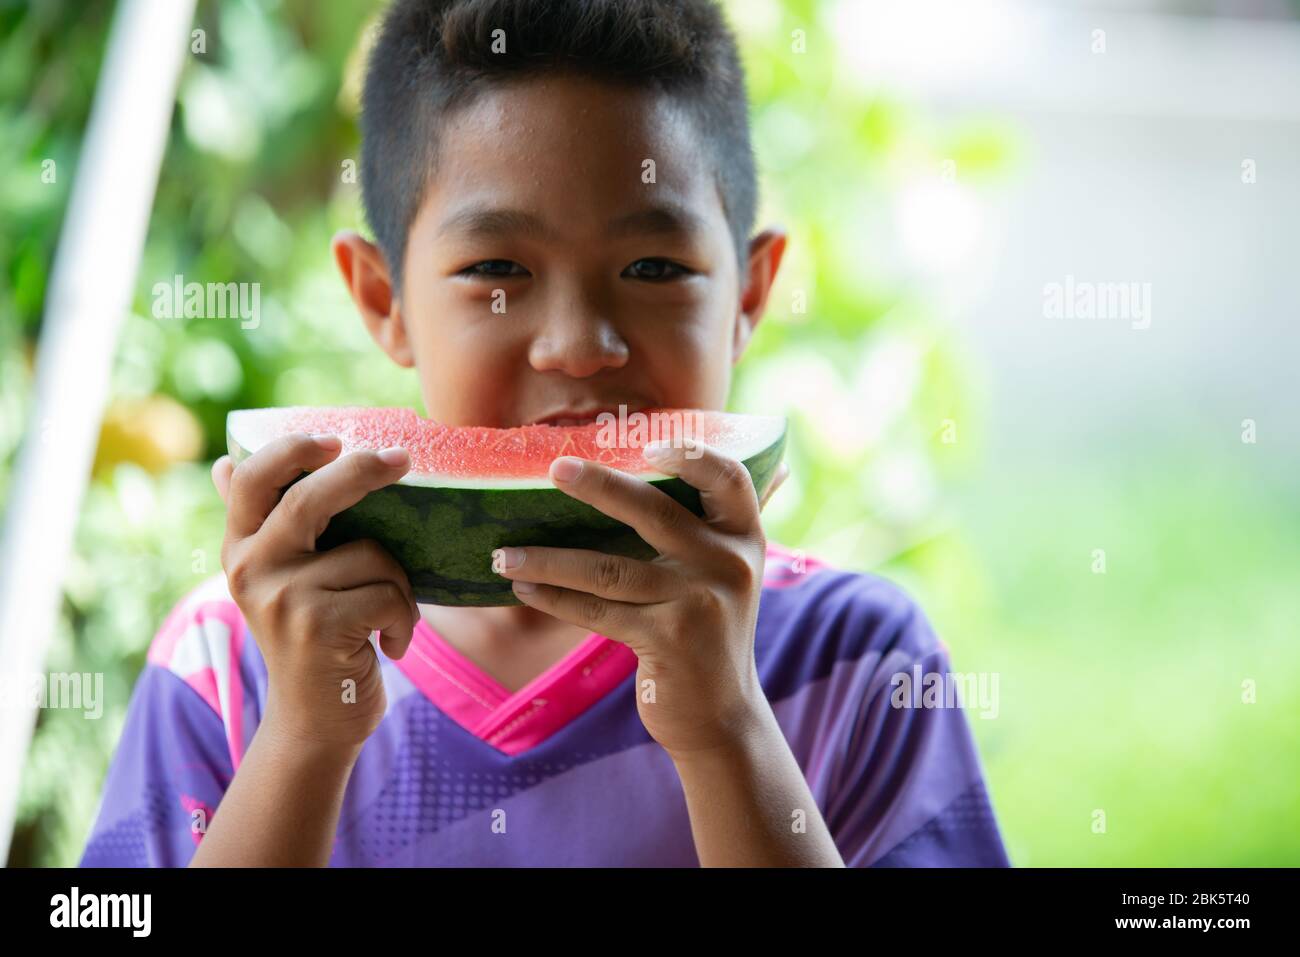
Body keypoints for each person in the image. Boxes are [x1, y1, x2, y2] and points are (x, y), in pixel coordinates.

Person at [81, 0, 1010, 867]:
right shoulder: (230, 660)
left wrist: (728, 730)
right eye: (496, 268)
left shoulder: (859, 662)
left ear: (751, 294)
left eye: (653, 265)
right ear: (382, 299)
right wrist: (299, 743)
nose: (577, 345)